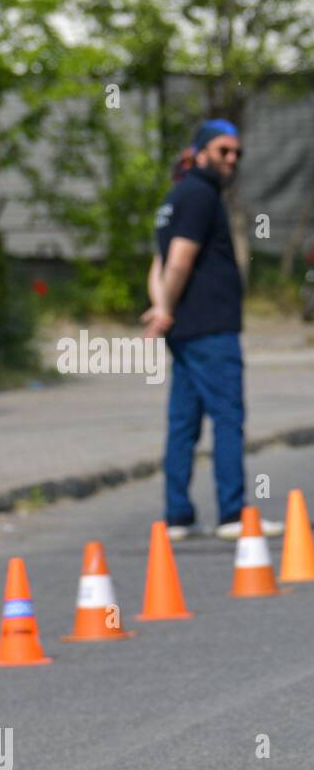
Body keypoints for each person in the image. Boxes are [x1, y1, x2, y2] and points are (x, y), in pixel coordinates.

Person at [142, 119, 282, 541]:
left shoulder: (175, 197)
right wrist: (164, 309)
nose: (232, 160)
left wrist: (160, 307)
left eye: (237, 153)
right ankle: (232, 514)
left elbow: (159, 263)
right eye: (224, 151)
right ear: (200, 152)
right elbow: (179, 261)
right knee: (227, 418)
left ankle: (178, 517)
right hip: (209, 329)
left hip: (187, 330)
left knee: (183, 422)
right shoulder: (200, 195)